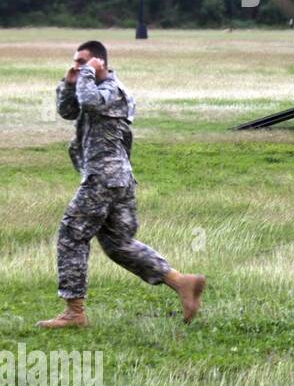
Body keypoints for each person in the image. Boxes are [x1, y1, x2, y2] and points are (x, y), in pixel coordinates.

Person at [41, 41, 206, 329]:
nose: (78, 67)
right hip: (114, 179)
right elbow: (68, 111)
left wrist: (87, 76)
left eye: (83, 62)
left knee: (72, 233)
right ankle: (181, 282)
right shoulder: (89, 85)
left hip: (104, 178)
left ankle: (74, 312)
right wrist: (69, 83)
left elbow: (90, 102)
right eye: (76, 62)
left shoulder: (112, 91)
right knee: (118, 244)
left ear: (100, 63)